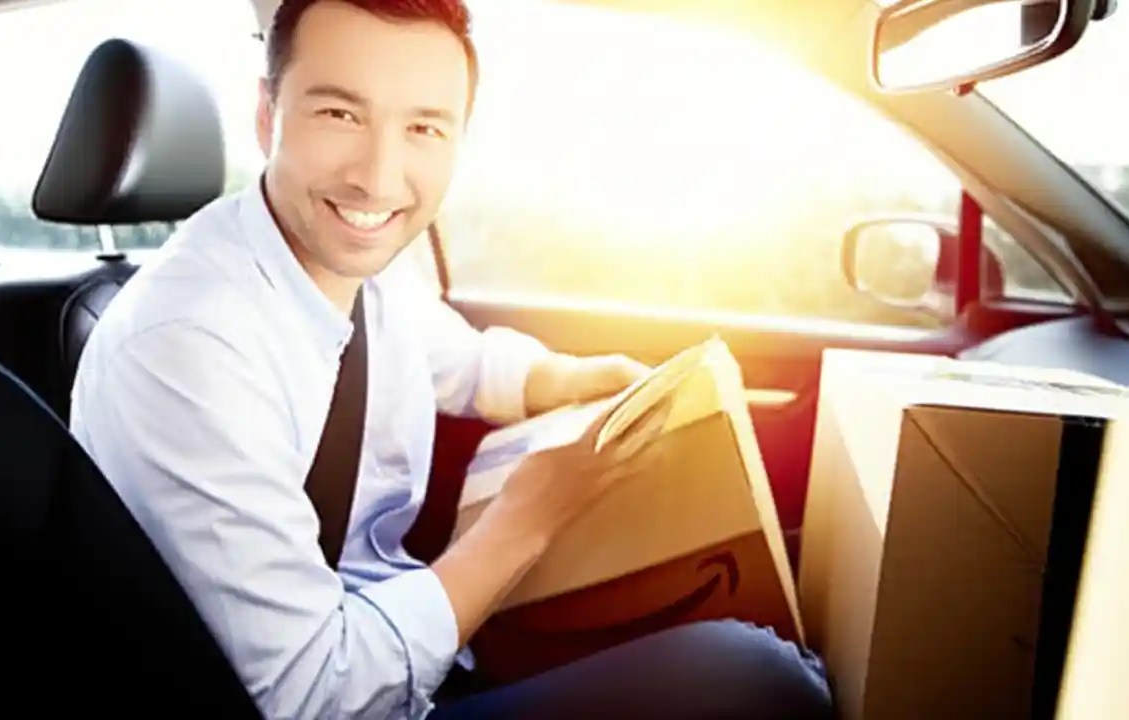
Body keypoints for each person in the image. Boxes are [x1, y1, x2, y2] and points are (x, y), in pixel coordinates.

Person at [69, 1, 834, 718]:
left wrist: (560, 379)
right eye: (340, 113)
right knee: (759, 674)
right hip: (345, 694)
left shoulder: (361, 265)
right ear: (269, 115)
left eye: (424, 129)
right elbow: (309, 696)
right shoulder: (189, 342)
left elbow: (453, 359)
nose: (377, 175)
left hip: (404, 640)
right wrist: (521, 525)